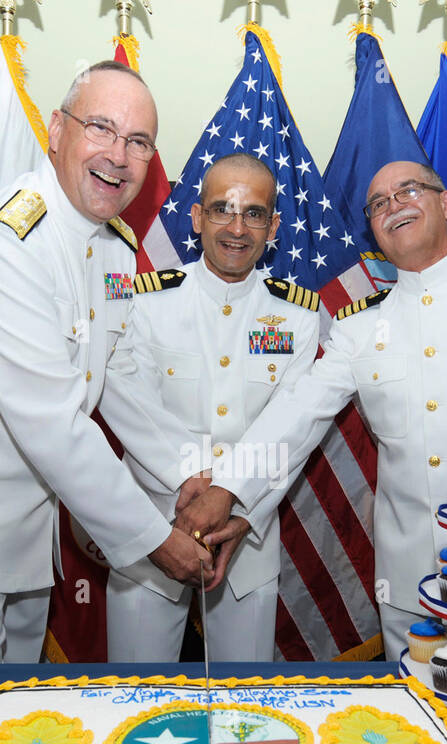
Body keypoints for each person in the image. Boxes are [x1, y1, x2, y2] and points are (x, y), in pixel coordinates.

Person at [0, 62, 210, 664]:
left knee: (13, 728)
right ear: (56, 130)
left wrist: (191, 474)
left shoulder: (109, 247)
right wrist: (157, 541)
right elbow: (53, 423)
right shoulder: (7, 241)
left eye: (139, 142)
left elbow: (115, 379)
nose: (118, 155)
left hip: (23, 530)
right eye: (101, 127)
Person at [180, 160, 447, 660]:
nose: (394, 205)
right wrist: (228, 489)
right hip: (409, 585)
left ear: (446, 203)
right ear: (373, 230)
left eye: (409, 191)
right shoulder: (360, 328)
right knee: (417, 727)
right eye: (379, 203)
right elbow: (297, 413)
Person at [102, 154, 321, 661]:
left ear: (274, 226)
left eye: (254, 213)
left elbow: (293, 430)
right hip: (155, 526)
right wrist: (191, 480)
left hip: (248, 533)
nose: (237, 228)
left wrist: (238, 510)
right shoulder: (144, 302)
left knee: (245, 713)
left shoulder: (299, 318)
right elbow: (122, 397)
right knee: (138, 700)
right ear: (197, 217)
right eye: (222, 209)